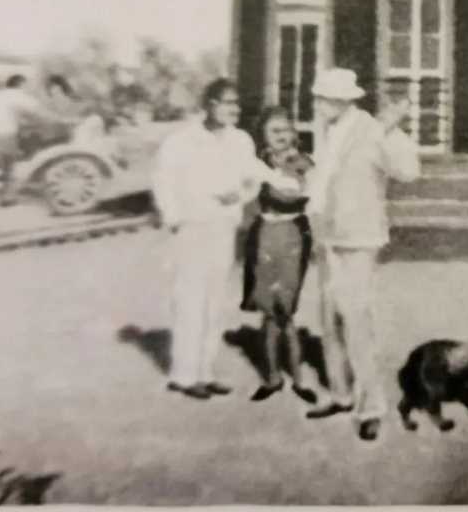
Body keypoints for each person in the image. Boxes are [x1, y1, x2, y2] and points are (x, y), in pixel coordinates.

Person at [302, 69, 420, 442]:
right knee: (329, 318)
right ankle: (340, 393)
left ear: (342, 101)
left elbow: (408, 171)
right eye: (318, 98)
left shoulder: (372, 128)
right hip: (327, 233)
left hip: (359, 236)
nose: (318, 105)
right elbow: (323, 178)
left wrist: (392, 133)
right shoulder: (327, 130)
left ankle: (371, 406)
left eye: (324, 99)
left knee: (357, 320)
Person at [152, 78, 281, 401]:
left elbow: (253, 176)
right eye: (227, 103)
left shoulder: (240, 141)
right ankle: (183, 375)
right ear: (209, 104)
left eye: (237, 104)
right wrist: (175, 218)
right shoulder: (181, 141)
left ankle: (206, 373)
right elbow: (164, 181)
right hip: (192, 227)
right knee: (189, 301)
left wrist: (240, 195)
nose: (234, 110)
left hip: (222, 228)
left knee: (214, 303)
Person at [241, 106, 322, 405]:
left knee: (285, 312)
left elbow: (306, 195)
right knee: (268, 313)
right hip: (264, 239)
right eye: (273, 132)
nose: (280, 136)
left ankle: (298, 380)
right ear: (263, 136)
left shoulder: (303, 163)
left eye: (284, 130)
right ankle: (273, 378)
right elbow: (245, 193)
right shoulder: (258, 164)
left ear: (294, 133)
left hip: (291, 238)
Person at [0, 74, 57, 206]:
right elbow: (38, 111)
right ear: (21, 84)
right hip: (6, 133)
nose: (28, 87)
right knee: (10, 167)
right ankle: (7, 197)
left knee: (5, 164)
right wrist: (59, 119)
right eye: (26, 85)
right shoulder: (18, 95)